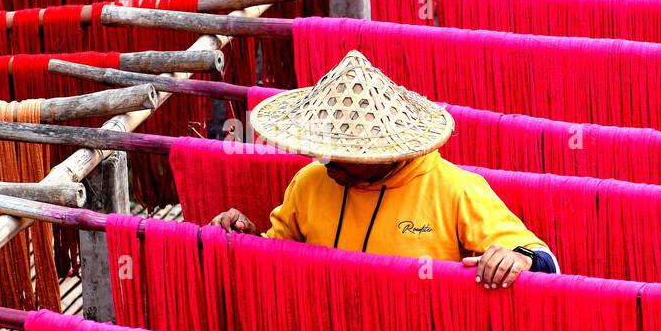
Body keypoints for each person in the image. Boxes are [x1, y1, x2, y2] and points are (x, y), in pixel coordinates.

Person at [208, 51, 558, 289]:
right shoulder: (309, 182)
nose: (329, 163)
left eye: (345, 156)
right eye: (324, 151)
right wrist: (242, 239)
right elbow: (273, 261)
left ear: (386, 152)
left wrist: (517, 259)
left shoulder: (455, 190)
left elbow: (545, 261)